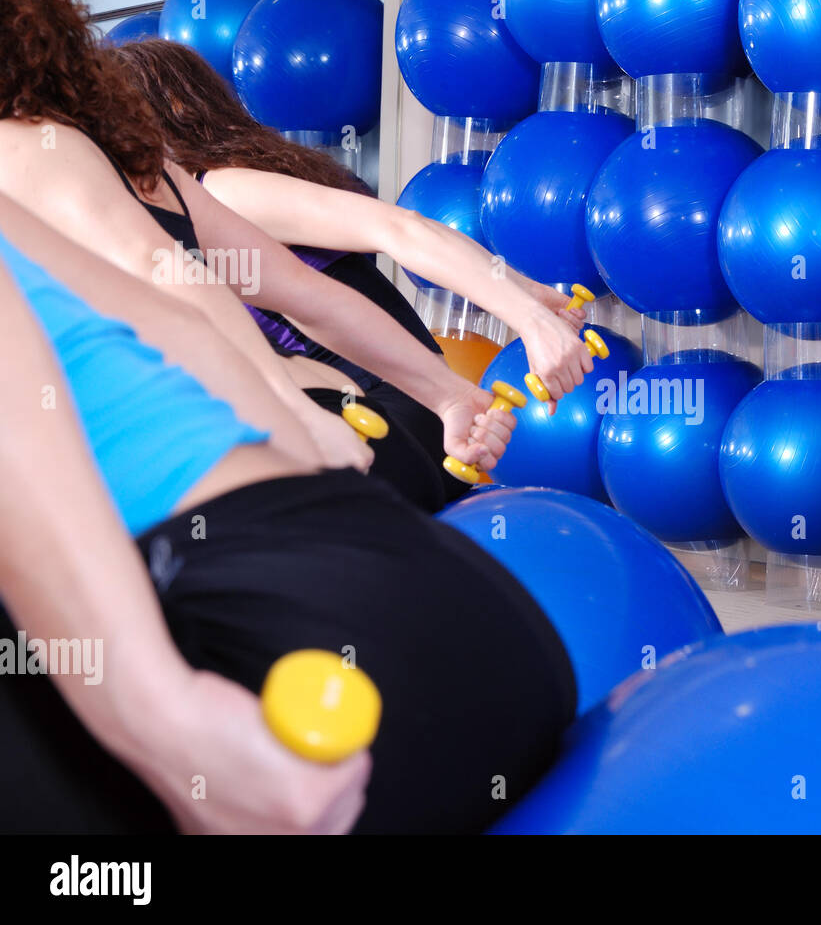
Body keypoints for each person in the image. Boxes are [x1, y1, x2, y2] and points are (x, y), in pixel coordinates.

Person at [0, 190, 576, 834]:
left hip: (273, 668)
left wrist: (167, 721)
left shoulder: (37, 155)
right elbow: (186, 317)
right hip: (432, 598)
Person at [0, 0, 592, 511]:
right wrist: (481, 355)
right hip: (351, 420)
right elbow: (306, 299)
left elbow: (393, 232)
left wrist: (514, 324)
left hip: (351, 423)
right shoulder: (170, 185)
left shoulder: (213, 187)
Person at [111, 38, 595, 499]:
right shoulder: (161, 229)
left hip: (394, 420)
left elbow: (402, 229)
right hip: (362, 420)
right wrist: (532, 294)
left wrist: (529, 319)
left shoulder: (221, 190)